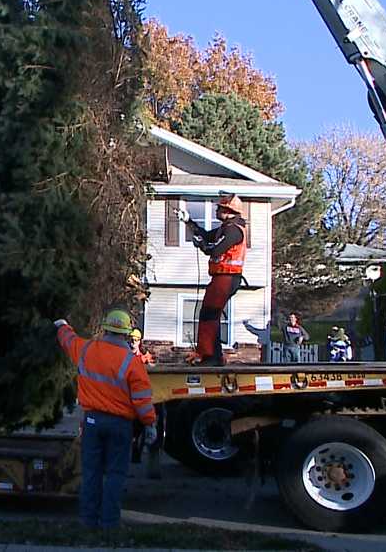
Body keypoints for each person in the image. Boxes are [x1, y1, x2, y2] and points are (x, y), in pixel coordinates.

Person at [56, 310, 158, 529]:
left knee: (91, 473)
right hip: (120, 425)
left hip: (92, 422)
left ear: (105, 329)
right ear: (126, 334)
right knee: (115, 475)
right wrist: (150, 424)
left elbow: (68, 340)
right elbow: (142, 399)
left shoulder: (86, 349)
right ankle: (110, 523)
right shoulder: (131, 362)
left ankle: (88, 522)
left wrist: (62, 325)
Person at [178, 194, 247, 365]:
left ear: (229, 211)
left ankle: (210, 356)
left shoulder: (233, 230)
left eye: (219, 208)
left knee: (209, 315)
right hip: (222, 277)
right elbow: (207, 236)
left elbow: (214, 249)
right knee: (210, 315)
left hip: (227, 277)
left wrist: (201, 244)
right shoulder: (227, 228)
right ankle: (214, 355)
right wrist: (189, 222)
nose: (216, 210)